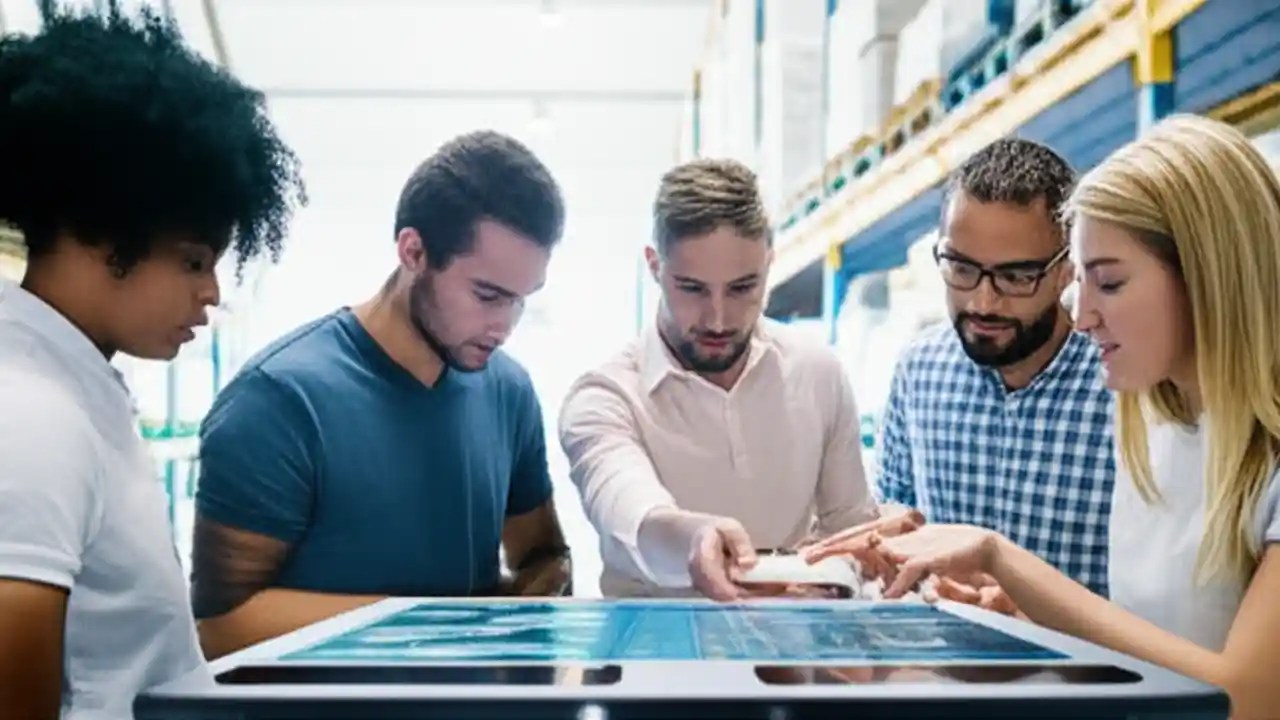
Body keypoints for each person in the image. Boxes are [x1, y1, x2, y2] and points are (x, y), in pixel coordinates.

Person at [811, 115, 1280, 717]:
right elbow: (1149, 641)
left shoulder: (1164, 424)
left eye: (1107, 283)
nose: (1082, 318)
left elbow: (1246, 698)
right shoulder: (1160, 427)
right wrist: (1025, 622)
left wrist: (1000, 557)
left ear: (1209, 277)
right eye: (1081, 282)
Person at [0, 5, 305, 718]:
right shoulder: (32, 414)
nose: (211, 294)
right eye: (193, 260)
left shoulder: (72, 388)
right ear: (103, 229)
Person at [190, 131, 573, 660]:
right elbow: (219, 625)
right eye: (487, 295)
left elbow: (543, 557)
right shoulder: (278, 400)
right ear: (413, 251)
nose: (504, 325)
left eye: (521, 301)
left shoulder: (509, 391)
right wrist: (440, 625)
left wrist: (536, 605)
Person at [558, 158, 912, 600]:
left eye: (743, 288)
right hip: (651, 658)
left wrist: (834, 576)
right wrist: (697, 539)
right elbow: (632, 512)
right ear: (655, 266)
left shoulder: (818, 373)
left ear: (769, 264)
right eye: (692, 288)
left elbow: (851, 529)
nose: (719, 319)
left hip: (786, 657)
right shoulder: (604, 397)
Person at [872, 137, 1115, 596]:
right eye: (961, 269)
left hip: (1090, 666)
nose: (982, 302)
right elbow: (891, 506)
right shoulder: (921, 372)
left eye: (1017, 277)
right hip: (948, 660)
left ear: (1068, 267)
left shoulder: (1122, 383)